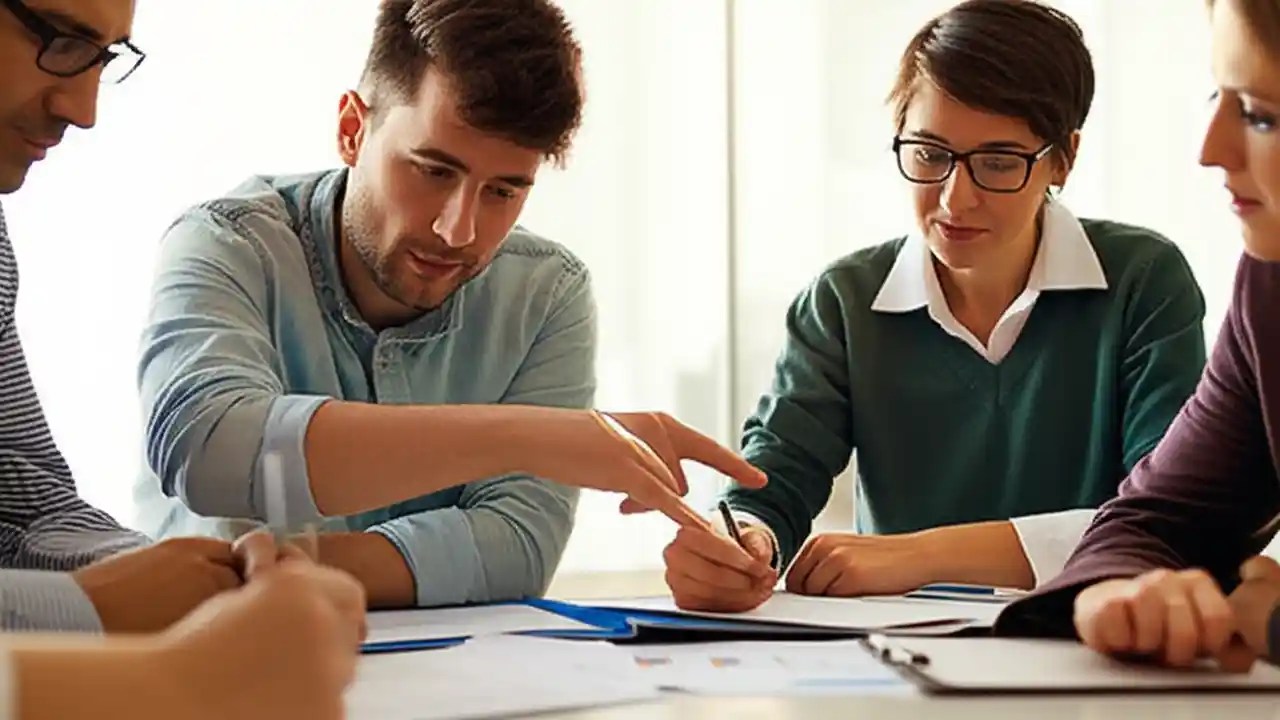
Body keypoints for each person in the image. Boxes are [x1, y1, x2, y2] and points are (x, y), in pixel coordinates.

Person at [131, 0, 765, 610]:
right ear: (353, 130)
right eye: (433, 171)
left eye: (504, 191)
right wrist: (532, 438)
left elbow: (517, 550)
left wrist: (275, 565)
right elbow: (209, 448)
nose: (459, 231)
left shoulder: (547, 292)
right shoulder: (225, 243)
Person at [661, 0, 1208, 613]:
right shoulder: (845, 300)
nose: (955, 198)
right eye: (929, 154)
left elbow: (1166, 517)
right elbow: (773, 478)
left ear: (1064, 158)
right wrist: (742, 544)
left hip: (1089, 640)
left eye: (999, 163)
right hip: (898, 656)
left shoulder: (1142, 281)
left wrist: (921, 555)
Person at [995, 0, 1280, 670]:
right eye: (1222, 96)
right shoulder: (1267, 294)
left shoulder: (1143, 277)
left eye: (1263, 115)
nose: (1211, 150)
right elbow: (1155, 517)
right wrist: (1115, 594)